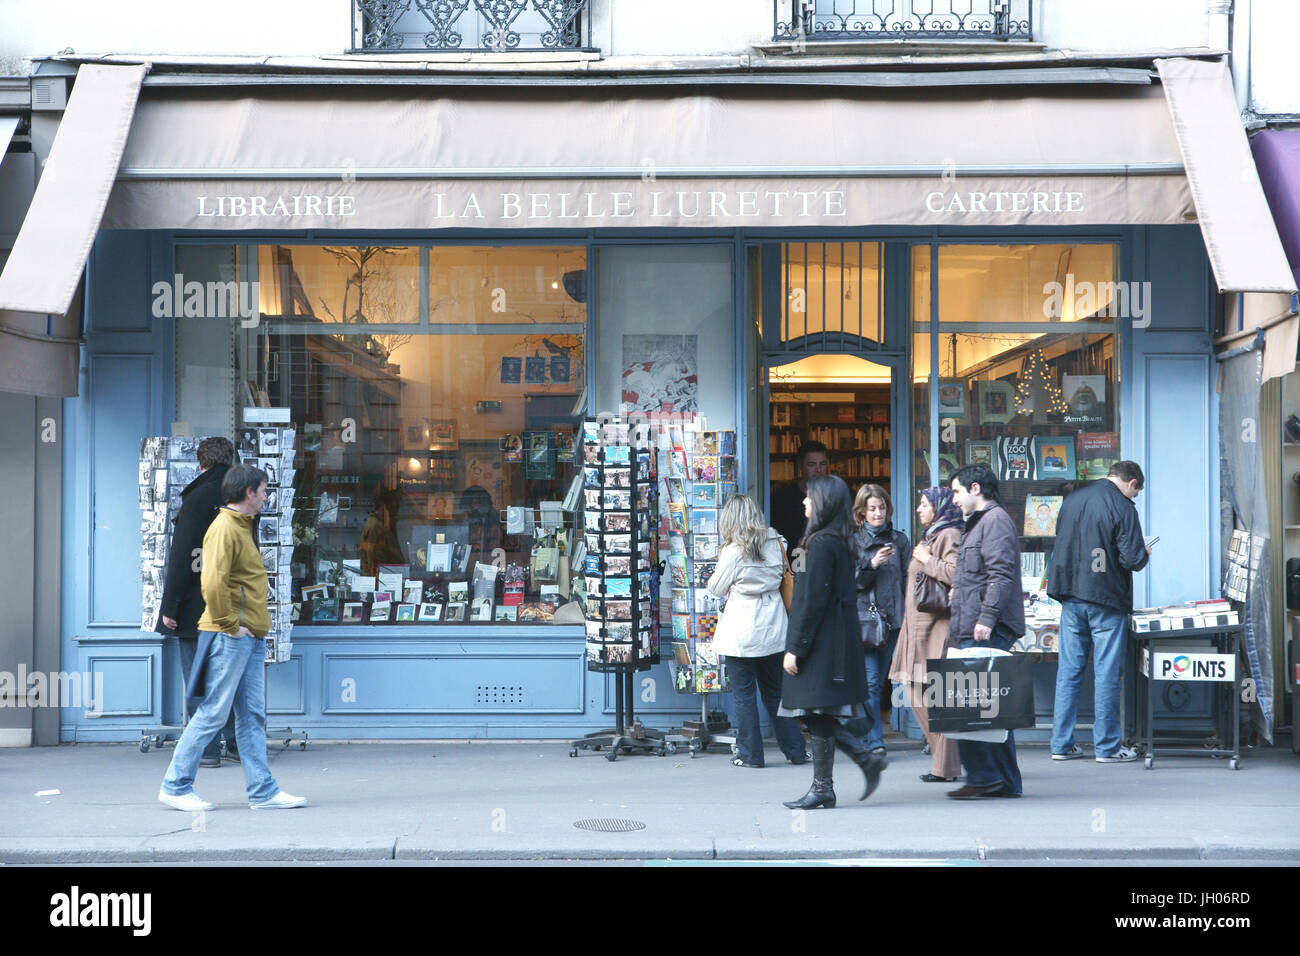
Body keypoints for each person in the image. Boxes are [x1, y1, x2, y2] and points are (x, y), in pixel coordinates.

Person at [158, 463, 306, 811]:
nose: (267, 497)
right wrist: (230, 624)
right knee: (212, 713)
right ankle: (175, 785)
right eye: (264, 491)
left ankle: (263, 791)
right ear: (248, 493)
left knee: (251, 715)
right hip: (232, 636)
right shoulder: (225, 528)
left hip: (247, 636)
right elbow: (212, 582)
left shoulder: (240, 526)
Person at [779, 475, 886, 809]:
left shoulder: (822, 543)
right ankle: (838, 777)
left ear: (823, 502)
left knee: (817, 712)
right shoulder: (833, 540)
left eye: (810, 497)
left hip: (822, 645)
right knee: (818, 714)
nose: (804, 502)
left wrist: (796, 647)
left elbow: (811, 601)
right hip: (830, 641)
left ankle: (831, 782)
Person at [1048, 461, 1151, 763]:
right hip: (1105, 597)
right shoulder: (1123, 506)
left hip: (1070, 595)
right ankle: (1107, 747)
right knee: (1106, 673)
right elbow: (1131, 559)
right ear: (1132, 483)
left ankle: (1061, 744)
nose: (1135, 497)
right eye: (1137, 492)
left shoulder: (1073, 498)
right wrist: (1143, 553)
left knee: (1068, 671)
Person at [706, 494, 808, 768]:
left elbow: (715, 588)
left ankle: (751, 755)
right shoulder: (778, 542)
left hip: (742, 628)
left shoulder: (733, 551)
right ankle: (796, 750)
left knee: (744, 694)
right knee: (776, 693)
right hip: (773, 625)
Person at [155, 436, 238, 769]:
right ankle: (234, 742)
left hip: (196, 605)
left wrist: (169, 607)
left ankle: (207, 750)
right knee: (230, 676)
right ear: (229, 460)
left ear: (202, 462)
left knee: (199, 677)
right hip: (234, 602)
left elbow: (182, 557)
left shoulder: (197, 497)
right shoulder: (241, 496)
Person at [947, 464, 1026, 799]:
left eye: (956, 491)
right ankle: (1002, 781)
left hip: (983, 628)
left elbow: (1001, 574)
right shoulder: (981, 523)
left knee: (971, 706)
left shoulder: (993, 522)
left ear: (975, 488)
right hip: (974, 623)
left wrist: (987, 618)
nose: (953, 500)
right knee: (987, 707)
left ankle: (984, 777)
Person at [892, 487, 964, 782]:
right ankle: (944, 760)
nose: (919, 509)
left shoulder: (950, 534)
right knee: (913, 689)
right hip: (916, 626)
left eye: (924, 504)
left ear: (939, 506)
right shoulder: (931, 535)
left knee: (937, 697)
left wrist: (924, 558)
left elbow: (955, 573)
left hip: (935, 626)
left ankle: (945, 766)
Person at [849, 483, 911, 756]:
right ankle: (874, 740)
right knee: (871, 682)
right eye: (872, 509)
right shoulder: (852, 541)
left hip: (895, 620)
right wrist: (871, 565)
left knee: (895, 680)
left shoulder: (899, 540)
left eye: (882, 507)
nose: (878, 514)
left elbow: (910, 581)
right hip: (866, 622)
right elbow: (847, 584)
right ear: (861, 512)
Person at [769, 440, 829, 549]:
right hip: (793, 562)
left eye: (822, 464)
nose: (818, 470)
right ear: (800, 465)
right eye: (812, 465)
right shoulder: (783, 499)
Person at [360, 488, 405, 575]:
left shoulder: (380, 524)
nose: (397, 509)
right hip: (383, 575)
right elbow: (371, 556)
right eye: (395, 504)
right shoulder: (376, 526)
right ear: (385, 506)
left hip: (388, 573)